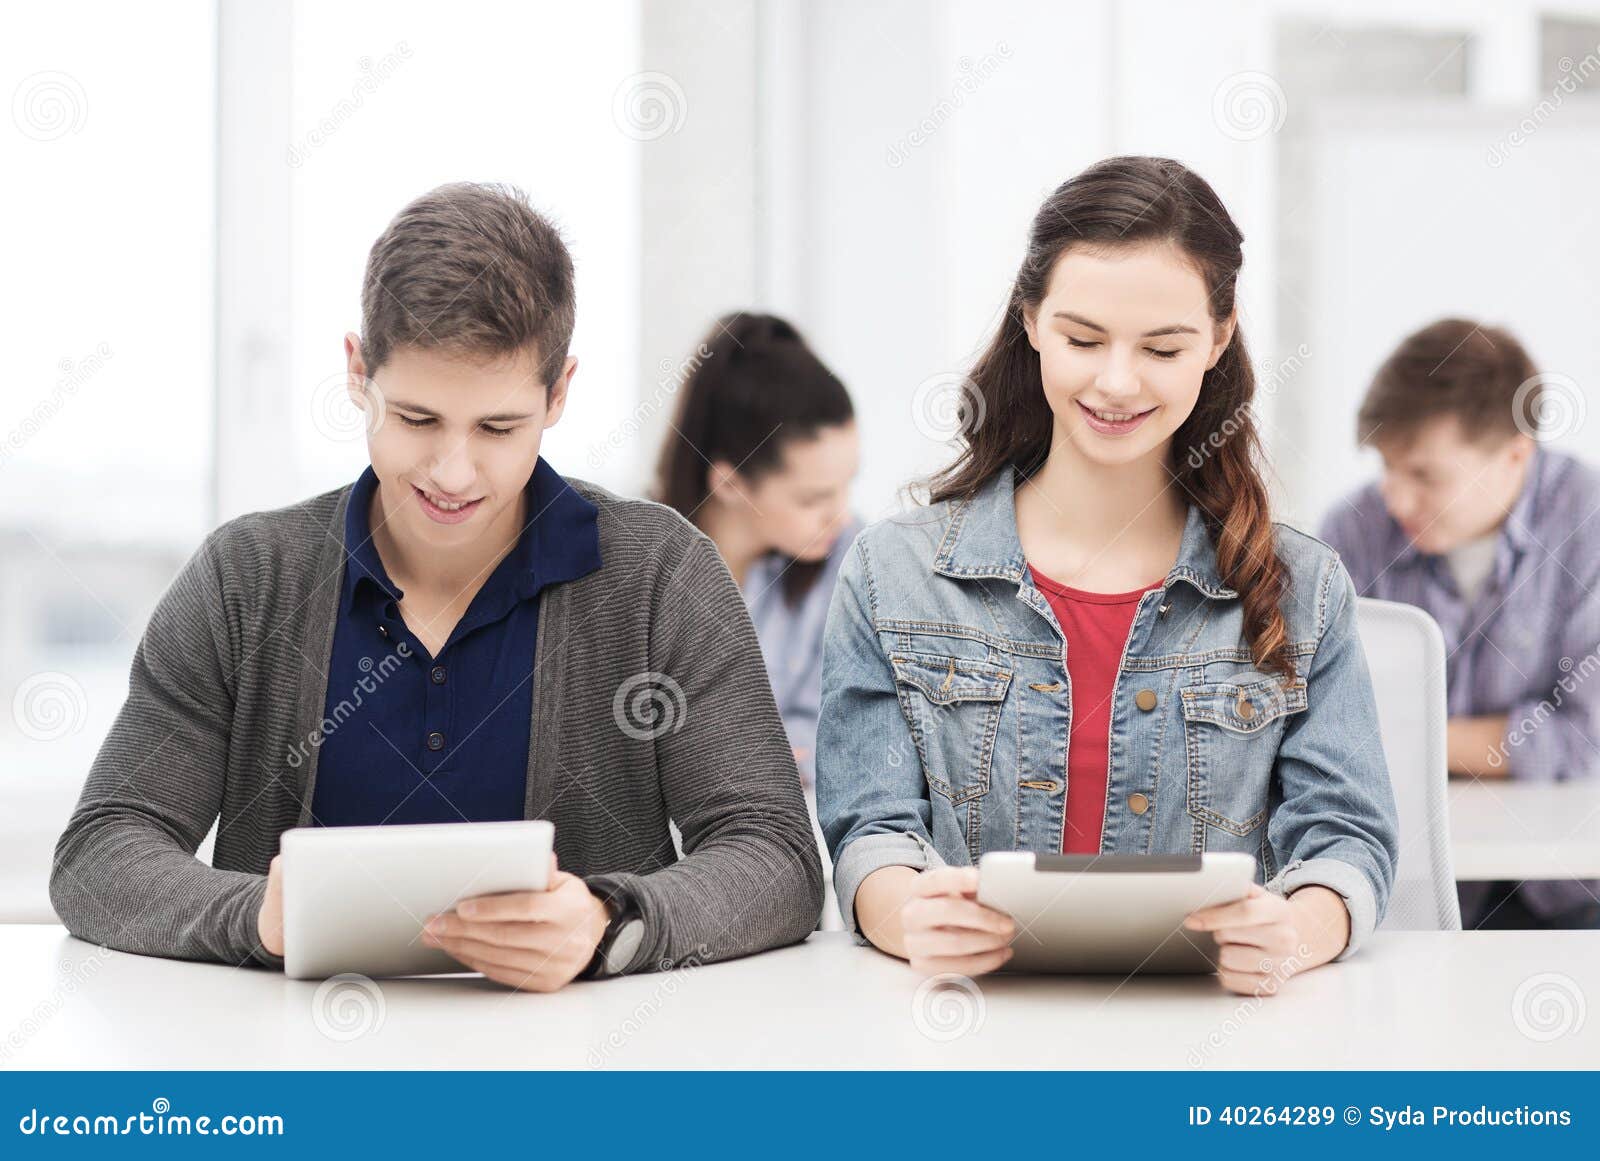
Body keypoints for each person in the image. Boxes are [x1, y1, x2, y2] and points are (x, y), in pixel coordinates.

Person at [50, 182, 823, 990]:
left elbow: (776, 857)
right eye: (417, 419)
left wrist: (607, 921)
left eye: (498, 427)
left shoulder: (661, 575)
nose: (453, 473)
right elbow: (102, 852)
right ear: (357, 371)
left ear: (559, 393)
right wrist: (256, 918)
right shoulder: (246, 578)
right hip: (293, 1070)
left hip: (583, 1074)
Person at [816, 156, 1399, 997]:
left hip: (1211, 1032)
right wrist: (908, 914)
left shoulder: (1302, 584)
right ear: (1031, 321)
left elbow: (1347, 839)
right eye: (1083, 340)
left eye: (1163, 347)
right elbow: (871, 829)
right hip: (967, 1030)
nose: (1117, 382)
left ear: (1220, 338)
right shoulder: (893, 572)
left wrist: (1297, 930)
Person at [1319, 318, 1600, 930]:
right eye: (1387, 466)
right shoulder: (1350, 534)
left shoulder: (1590, 524)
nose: (1395, 498)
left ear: (1515, 456)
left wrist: (1411, 743)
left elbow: (1584, 738)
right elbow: (1315, 722)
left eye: (1424, 475)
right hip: (1405, 882)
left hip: (1574, 891)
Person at [653, 312, 860, 787]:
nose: (841, 514)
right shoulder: (639, 565)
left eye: (847, 485)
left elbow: (846, 738)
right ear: (730, 483)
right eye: (813, 498)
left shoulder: (851, 560)